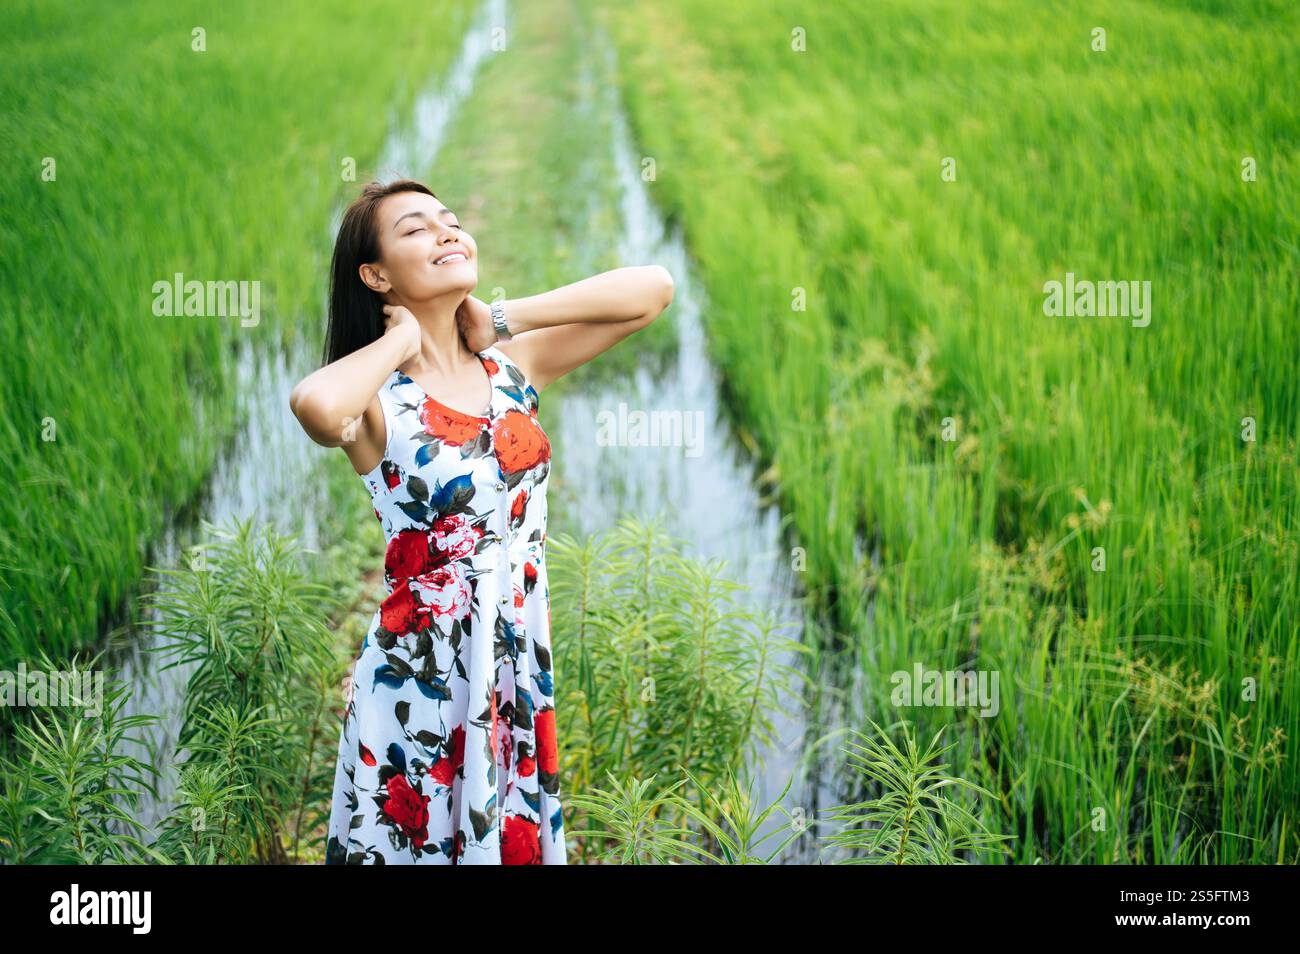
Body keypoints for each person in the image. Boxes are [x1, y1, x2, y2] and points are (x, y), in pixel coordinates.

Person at [289, 178, 673, 864]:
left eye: (451, 222)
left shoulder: (513, 366)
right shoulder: (378, 404)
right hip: (424, 677)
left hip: (515, 664)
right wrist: (398, 339)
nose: (445, 233)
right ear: (375, 275)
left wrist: (503, 316)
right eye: (415, 229)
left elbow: (653, 289)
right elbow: (316, 405)